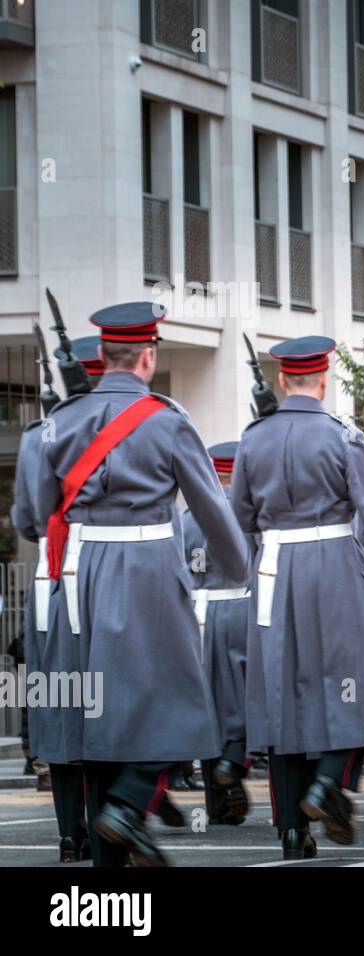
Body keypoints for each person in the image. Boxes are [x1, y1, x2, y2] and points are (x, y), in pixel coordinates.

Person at [35, 302, 249, 866]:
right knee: (181, 700)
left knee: (98, 712)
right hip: (151, 569)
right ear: (148, 357)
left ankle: (112, 856)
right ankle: (130, 803)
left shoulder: (61, 419)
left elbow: (37, 513)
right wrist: (238, 565)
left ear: (102, 356)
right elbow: (210, 506)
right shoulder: (166, 417)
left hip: (78, 575)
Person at [233, 336, 364, 859]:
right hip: (335, 566)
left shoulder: (253, 438)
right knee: (353, 686)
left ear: (280, 381)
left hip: (274, 570)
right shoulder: (344, 435)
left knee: (283, 700)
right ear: (323, 379)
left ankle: (293, 830)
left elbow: (241, 516)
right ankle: (326, 784)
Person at [11, 336, 103, 861]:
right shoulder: (115, 431)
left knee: (62, 704)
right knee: (102, 707)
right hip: (97, 577)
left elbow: (25, 520)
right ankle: (106, 820)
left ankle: (70, 834)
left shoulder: (36, 436)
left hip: (49, 581)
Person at [184, 441, 255, 828]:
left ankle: (217, 802)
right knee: (245, 698)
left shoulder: (187, 516)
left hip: (197, 612)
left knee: (209, 706)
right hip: (240, 606)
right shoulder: (246, 513)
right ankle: (234, 761)